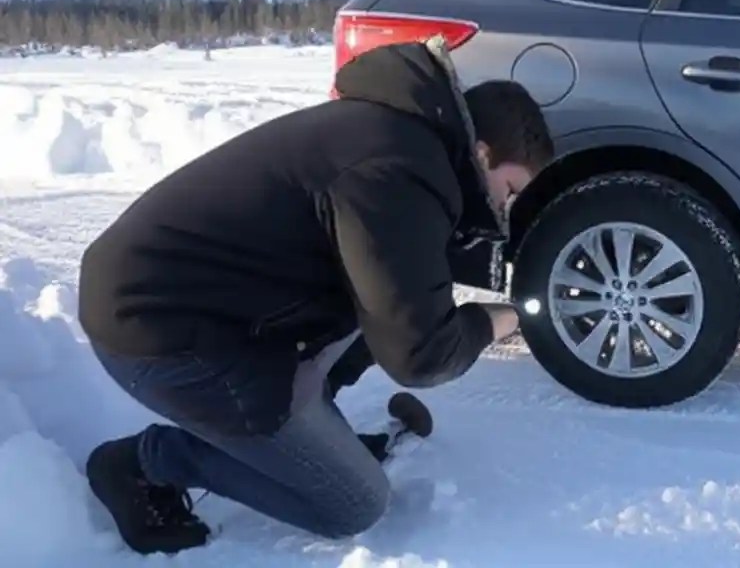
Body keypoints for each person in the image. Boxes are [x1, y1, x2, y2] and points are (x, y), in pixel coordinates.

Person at [77, 36, 554, 555]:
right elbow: (420, 356)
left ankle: (314, 437)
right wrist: (496, 320)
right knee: (351, 503)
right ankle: (146, 463)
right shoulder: (395, 171)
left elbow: (397, 296)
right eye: (509, 191)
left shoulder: (398, 138)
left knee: (382, 311)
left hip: (198, 305)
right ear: (482, 153)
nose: (504, 210)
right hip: (157, 333)